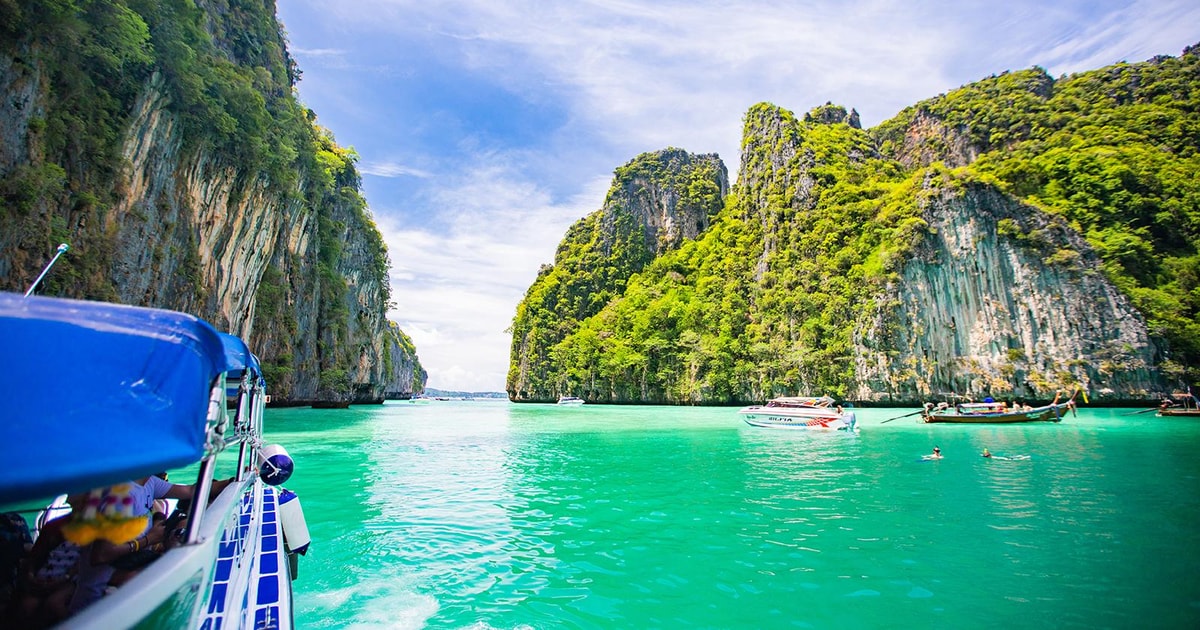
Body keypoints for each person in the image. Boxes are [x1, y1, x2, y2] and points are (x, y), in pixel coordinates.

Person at [67, 474, 234, 615]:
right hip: (97, 598)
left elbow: (189, 490)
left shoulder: (149, 482)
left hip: (122, 583)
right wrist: (149, 540)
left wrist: (235, 479)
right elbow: (100, 555)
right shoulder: (120, 494)